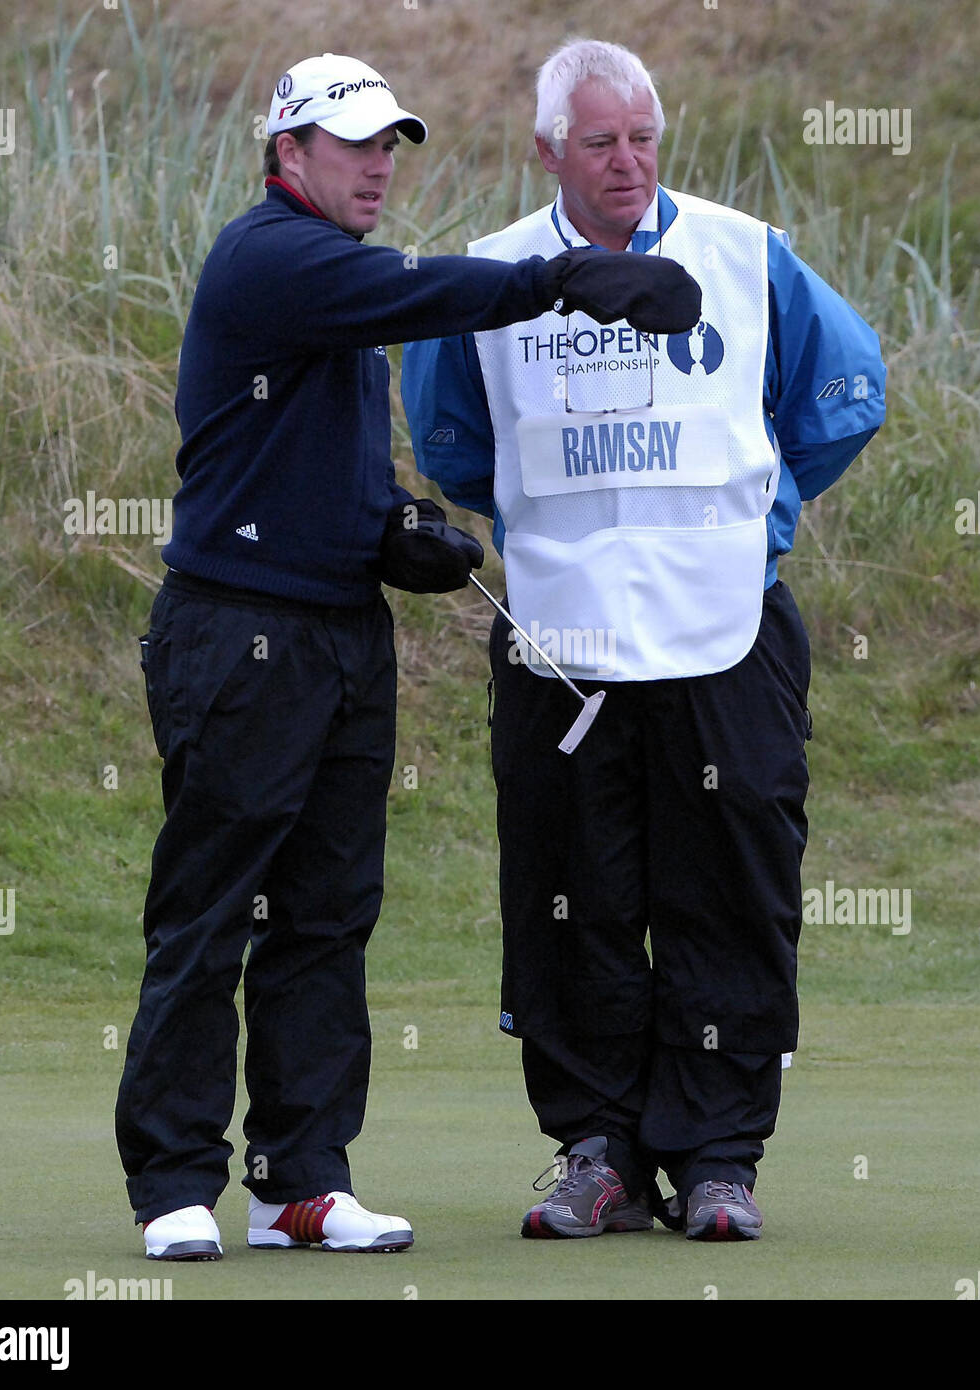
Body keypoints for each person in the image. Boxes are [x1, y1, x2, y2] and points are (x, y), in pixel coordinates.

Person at [114, 50, 701, 1262]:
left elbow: (305, 449)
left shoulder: (329, 281)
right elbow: (423, 292)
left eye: (393, 146)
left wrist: (390, 531)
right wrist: (566, 278)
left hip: (335, 632)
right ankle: (175, 1180)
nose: (380, 165)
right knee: (209, 910)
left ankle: (300, 1182)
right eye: (355, 144)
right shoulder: (272, 256)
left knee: (327, 914)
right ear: (290, 153)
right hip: (237, 634)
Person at [402, 38, 887, 1242]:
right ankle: (599, 1150)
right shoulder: (496, 274)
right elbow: (452, 440)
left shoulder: (741, 251)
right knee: (574, 899)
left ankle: (719, 1156)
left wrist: (763, 509)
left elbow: (847, 394)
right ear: (547, 150)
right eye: (598, 143)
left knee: (729, 894)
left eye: (642, 139)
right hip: (562, 642)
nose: (625, 164)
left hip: (725, 631)